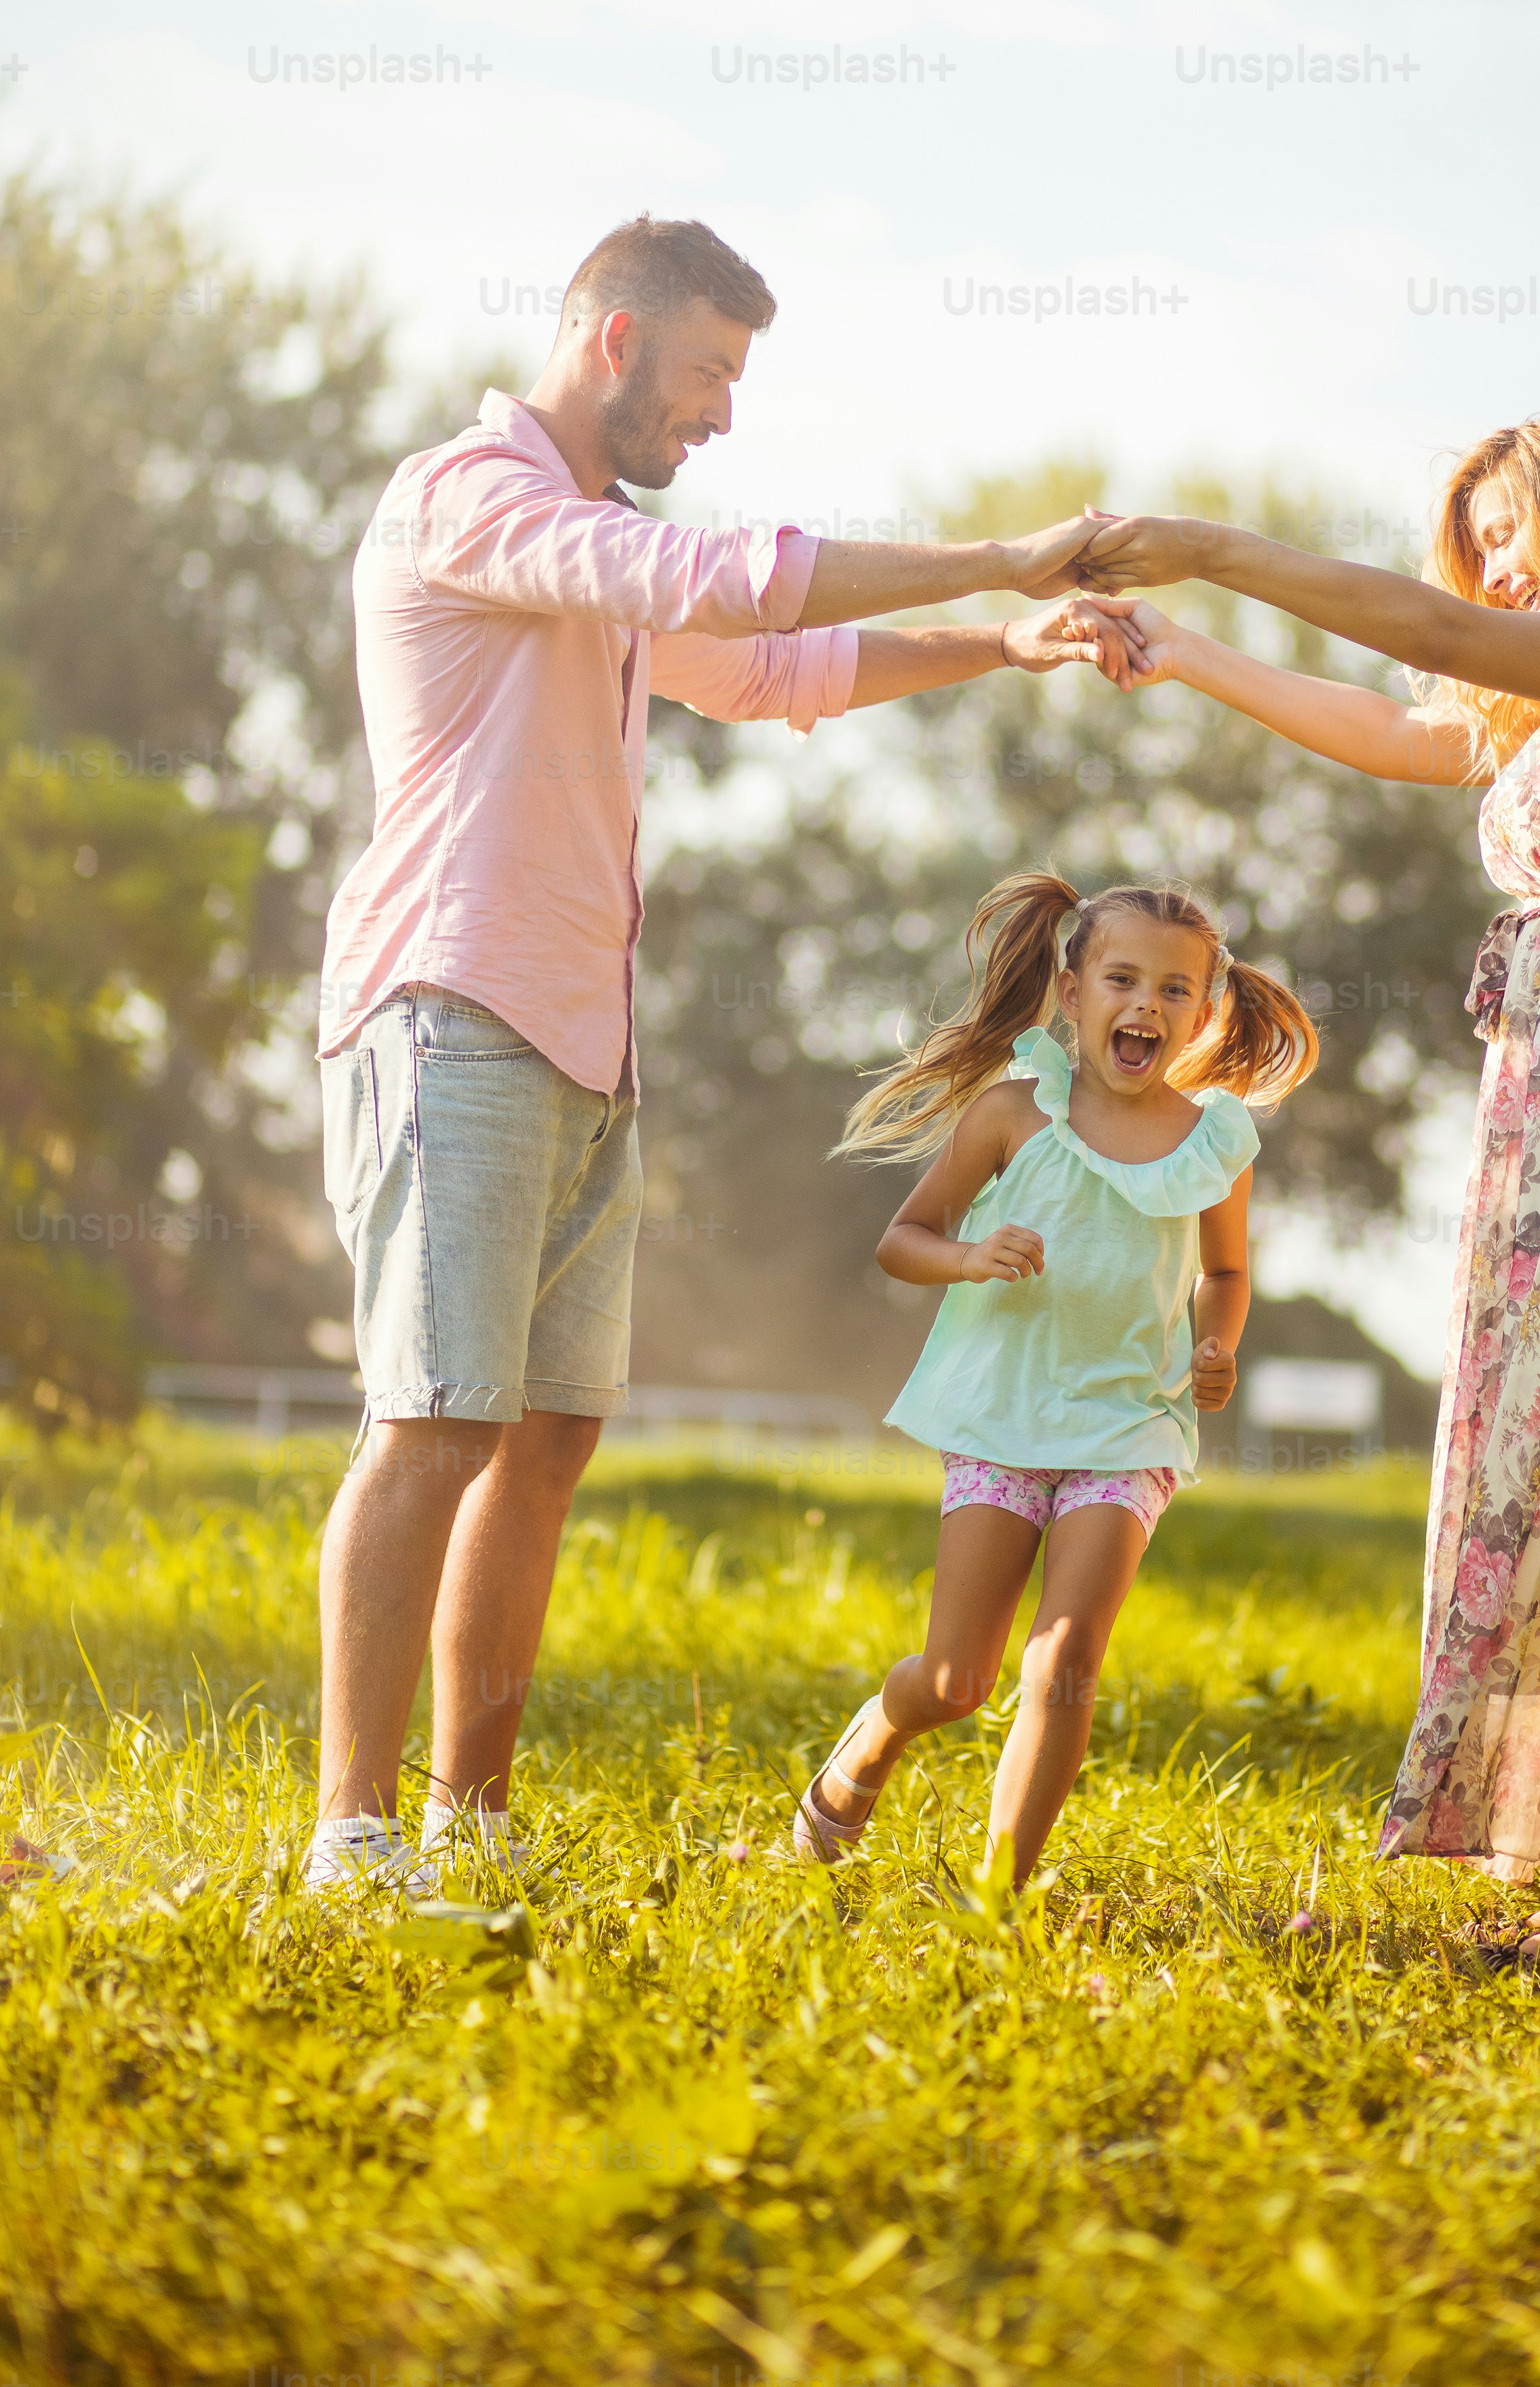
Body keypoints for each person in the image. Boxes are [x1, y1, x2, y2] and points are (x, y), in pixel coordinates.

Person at [306, 214, 1126, 1895]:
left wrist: (1000, 640)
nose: (721, 415)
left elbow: (764, 667)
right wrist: (1004, 559)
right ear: (613, 342)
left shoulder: (588, 548)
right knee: (434, 1421)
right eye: (707, 374)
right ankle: (352, 1835)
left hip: (579, 1036)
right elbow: (720, 581)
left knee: (544, 1434)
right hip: (450, 1009)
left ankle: (466, 1821)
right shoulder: (473, 500)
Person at [1081, 412, 1540, 1969]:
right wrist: (1191, 647)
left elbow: (1428, 632)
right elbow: (1392, 720)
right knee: (1527, 1448)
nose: (1497, 572)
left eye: (1515, 531)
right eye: (1482, 548)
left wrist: (1210, 541)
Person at [789, 871, 1316, 1884]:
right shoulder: (1010, 1112)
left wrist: (1216, 1345)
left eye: (1173, 991)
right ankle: (867, 1746)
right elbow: (904, 1239)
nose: (1145, 1006)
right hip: (1000, 1417)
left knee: (1062, 1664)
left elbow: (1227, 1271)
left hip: (1130, 1424)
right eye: (1121, 979)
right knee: (955, 1680)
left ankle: (999, 1901)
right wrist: (969, 1257)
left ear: (1202, 1013)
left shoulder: (1215, 1140)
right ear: (1072, 995)